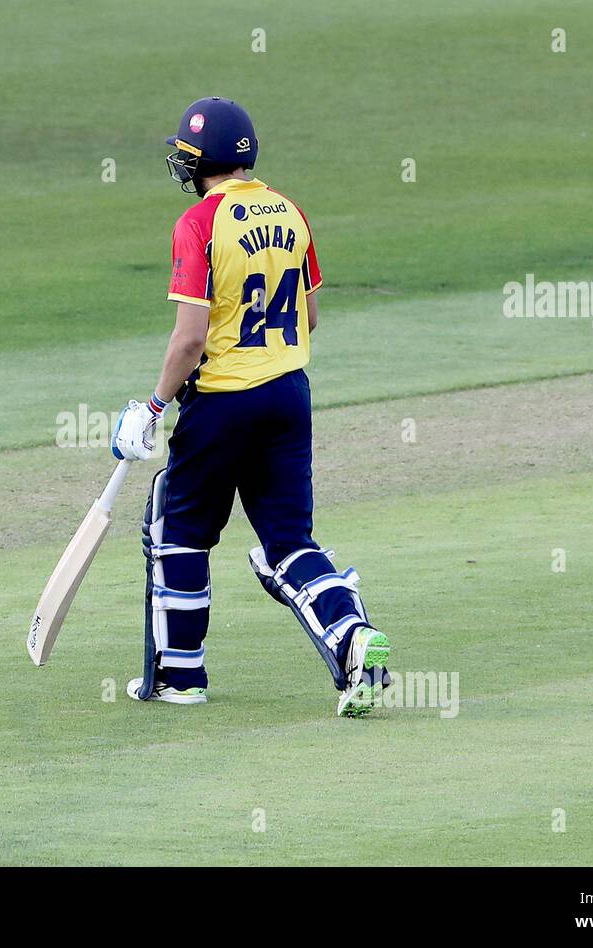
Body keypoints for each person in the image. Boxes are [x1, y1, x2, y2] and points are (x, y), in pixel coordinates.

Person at [112, 96, 391, 716]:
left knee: (177, 530)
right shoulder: (290, 212)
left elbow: (189, 338)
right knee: (290, 541)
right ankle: (352, 636)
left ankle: (181, 677)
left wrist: (154, 407)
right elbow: (310, 316)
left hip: (222, 403)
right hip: (289, 396)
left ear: (198, 161)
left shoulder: (199, 224)